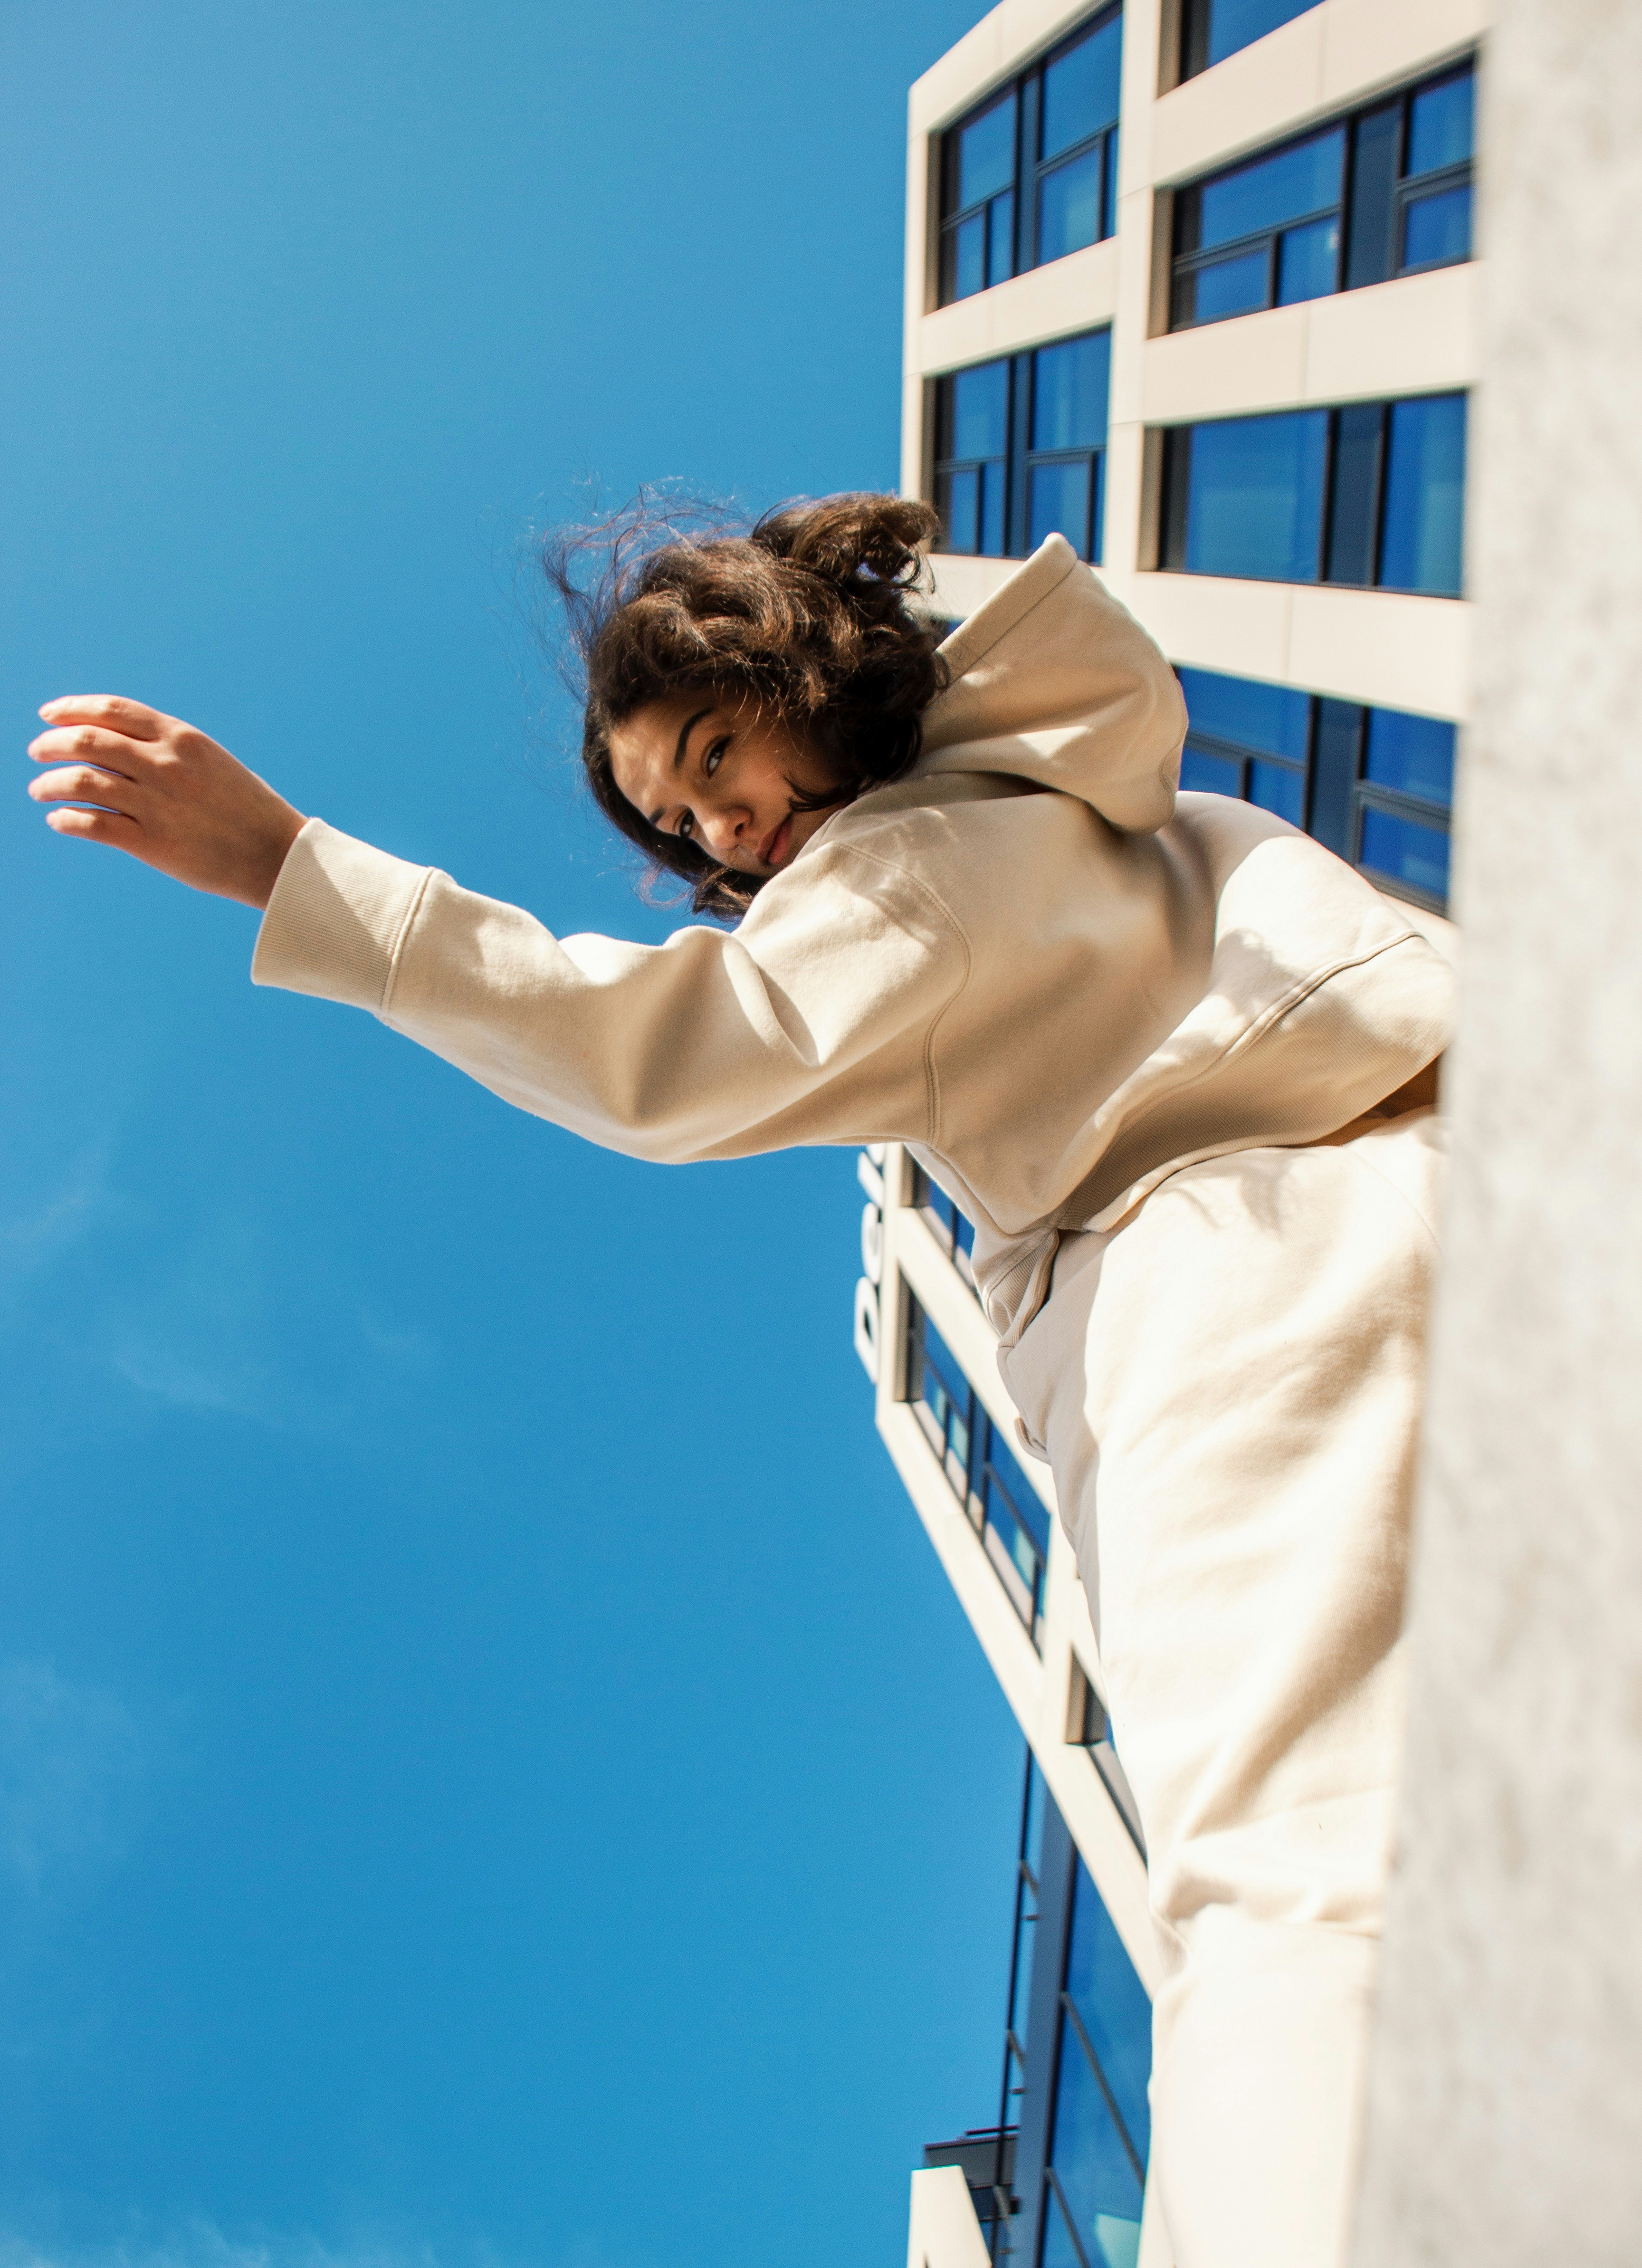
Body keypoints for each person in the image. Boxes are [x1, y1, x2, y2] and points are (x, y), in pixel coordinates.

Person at [27, 493, 1451, 2268]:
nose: (717, 828)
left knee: (1313, 1895)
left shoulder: (912, 858)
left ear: (804, 674)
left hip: (1250, 1281)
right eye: (677, 816)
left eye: (712, 754)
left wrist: (292, 869)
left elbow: (683, 1051)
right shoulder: (1095, 804)